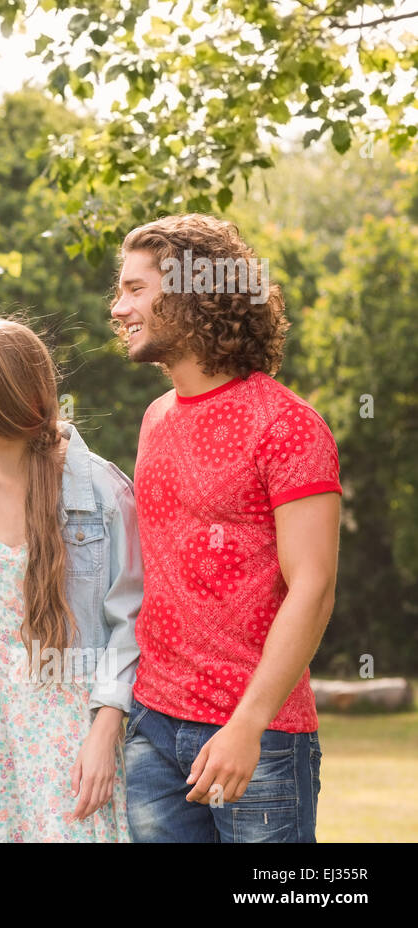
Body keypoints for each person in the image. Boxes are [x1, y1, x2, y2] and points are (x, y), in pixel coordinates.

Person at [111, 213, 341, 842]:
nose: (118, 308)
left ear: (191, 294)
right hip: (154, 728)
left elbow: (314, 586)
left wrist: (247, 723)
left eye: (135, 289)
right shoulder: (156, 418)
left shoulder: (288, 425)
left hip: (257, 739)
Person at [0, 317, 141, 842]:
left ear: (8, 395)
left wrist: (105, 731)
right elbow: (4, 610)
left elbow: (134, 621)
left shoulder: (100, 491)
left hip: (73, 715)